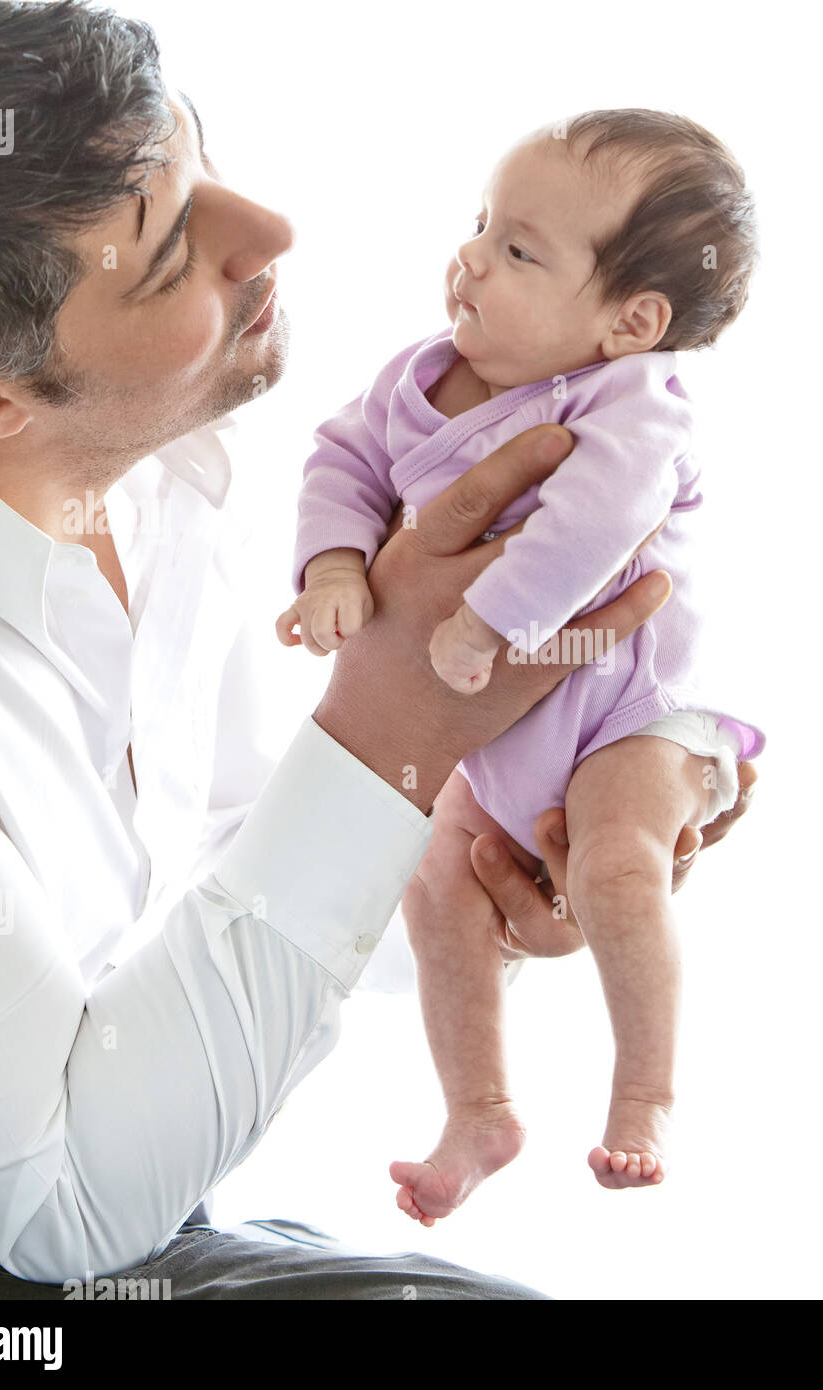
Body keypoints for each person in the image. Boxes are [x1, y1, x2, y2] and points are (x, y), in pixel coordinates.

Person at [0, 0, 754, 1299]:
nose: (272, 231)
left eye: (197, 152)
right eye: (169, 244)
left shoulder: (151, 482)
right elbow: (60, 1208)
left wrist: (497, 870)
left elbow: (242, 888)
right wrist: (388, 735)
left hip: (160, 1202)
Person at [278, 111, 764, 1224]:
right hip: (482, 732)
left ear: (628, 321)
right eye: (481, 227)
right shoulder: (424, 376)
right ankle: (477, 1113)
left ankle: (645, 1095)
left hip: (630, 713)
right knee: (436, 881)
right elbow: (341, 456)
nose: (472, 259)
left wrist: (492, 621)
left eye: (518, 251)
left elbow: (602, 517)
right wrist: (335, 566)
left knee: (618, 866)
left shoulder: (632, 404)